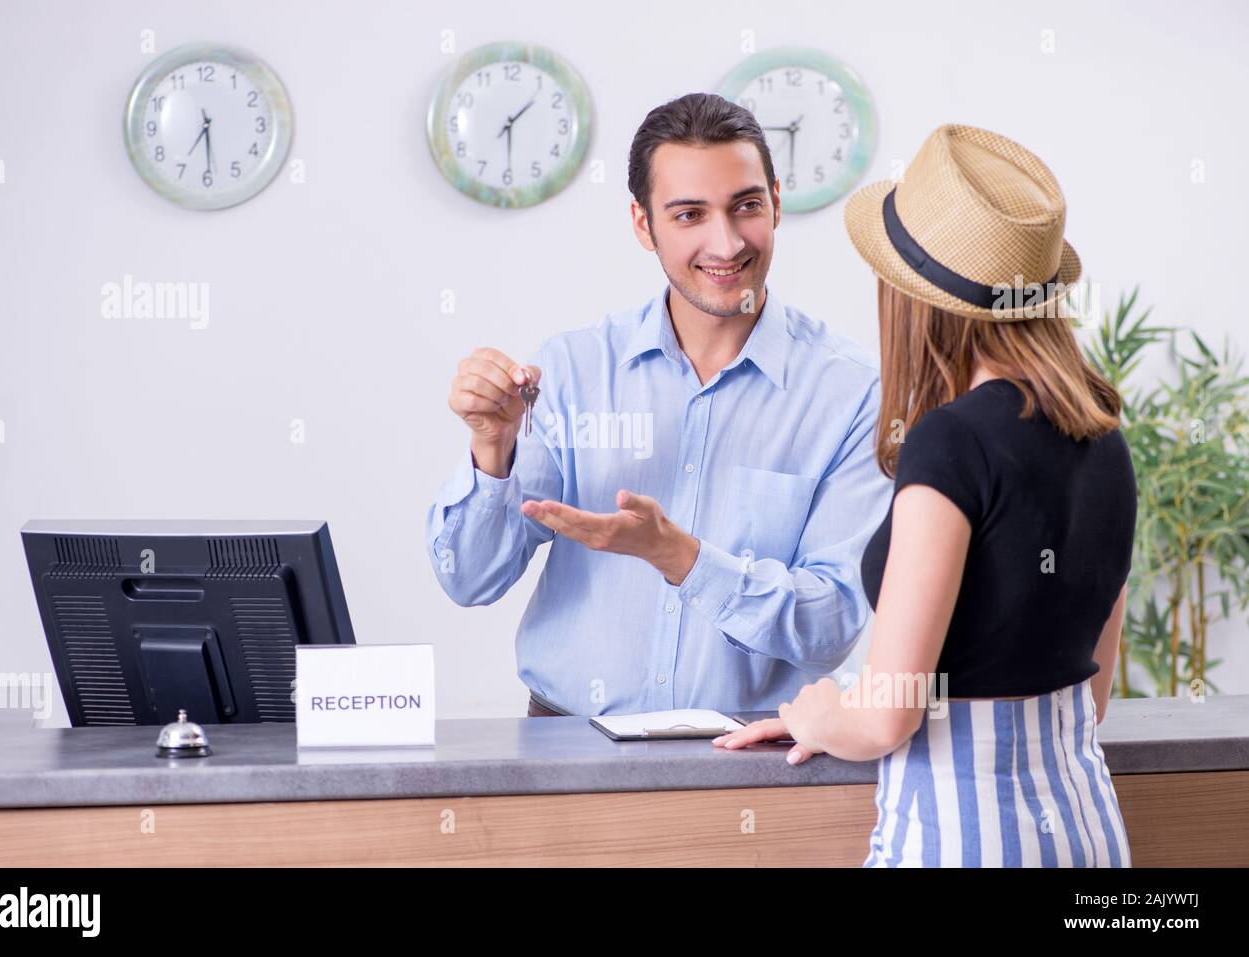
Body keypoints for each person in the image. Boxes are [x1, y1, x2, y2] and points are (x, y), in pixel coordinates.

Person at [714, 124, 1137, 868]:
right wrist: (853, 715)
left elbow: (886, 717)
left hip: (962, 838)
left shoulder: (950, 441)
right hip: (1087, 830)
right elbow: (1092, 696)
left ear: (914, 296)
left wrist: (822, 713)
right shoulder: (1103, 434)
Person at [424, 93, 893, 718]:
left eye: (745, 206)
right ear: (644, 225)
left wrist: (679, 556)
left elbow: (831, 621)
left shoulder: (855, 392)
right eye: (689, 214)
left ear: (776, 204)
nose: (725, 244)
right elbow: (470, 579)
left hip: (755, 759)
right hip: (565, 747)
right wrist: (492, 449)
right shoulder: (573, 370)